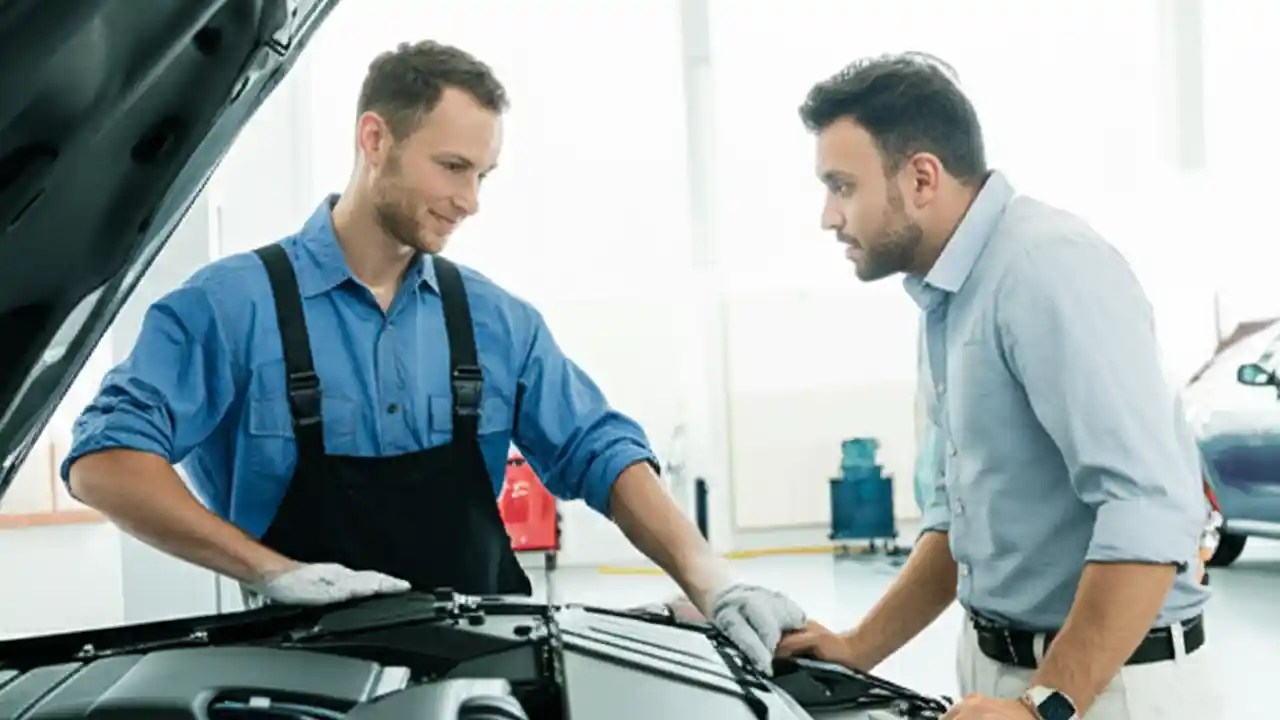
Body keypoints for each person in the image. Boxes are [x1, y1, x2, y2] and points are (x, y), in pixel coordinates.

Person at [60, 39, 805, 674]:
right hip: (307, 682)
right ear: (375, 139)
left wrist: (712, 582)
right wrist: (272, 571)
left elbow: (599, 449)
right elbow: (104, 461)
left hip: (488, 677)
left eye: (483, 174)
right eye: (452, 167)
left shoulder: (494, 319)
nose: (471, 199)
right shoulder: (229, 306)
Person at [776, 53, 1222, 719]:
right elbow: (959, 520)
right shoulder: (948, 298)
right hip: (1005, 673)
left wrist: (1045, 703)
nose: (828, 217)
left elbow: (1149, 509)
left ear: (921, 177)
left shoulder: (1045, 268)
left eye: (842, 186)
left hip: (1106, 687)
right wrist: (858, 646)